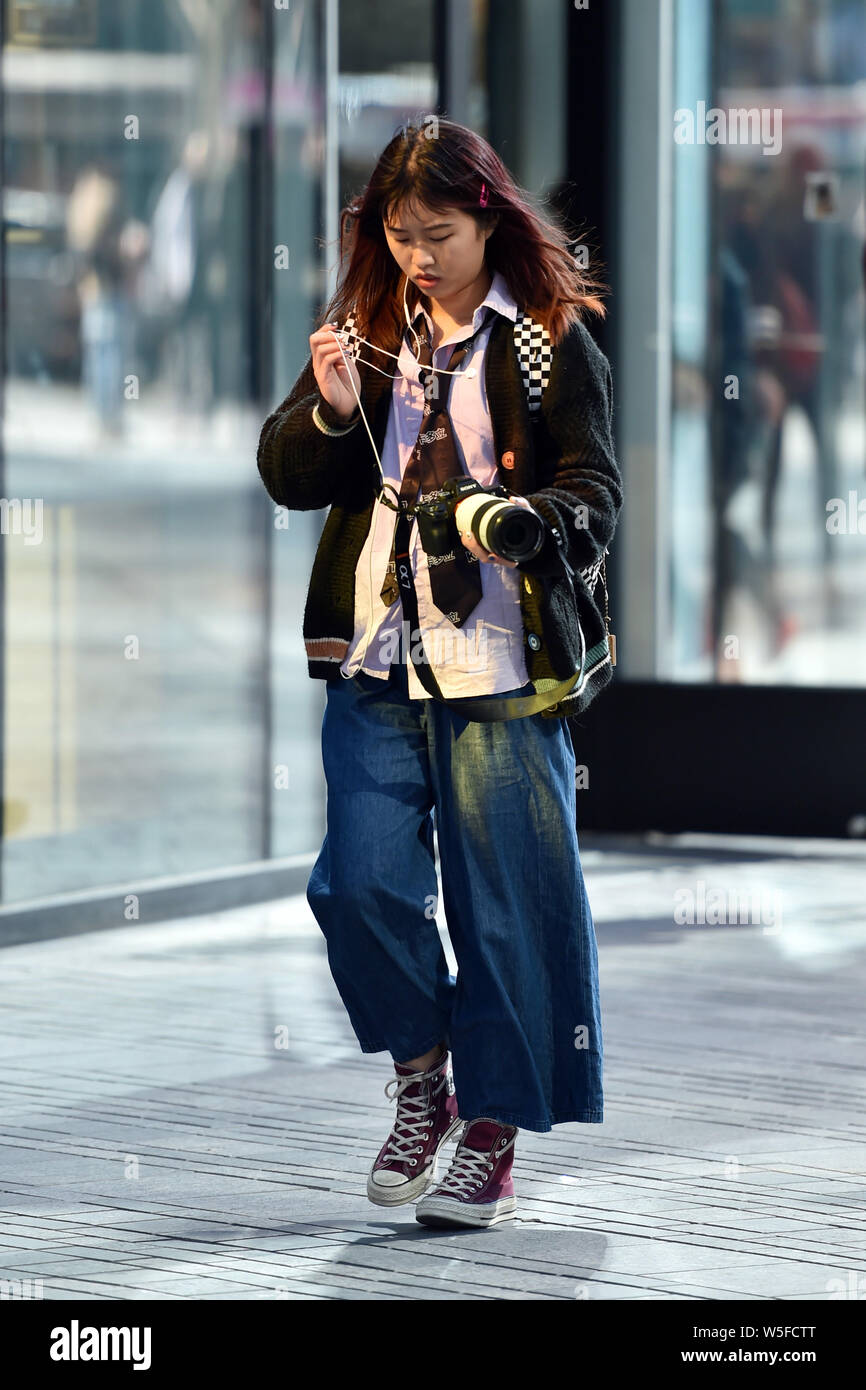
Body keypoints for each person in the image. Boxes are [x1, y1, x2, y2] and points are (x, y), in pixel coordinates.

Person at [257, 118, 622, 1229]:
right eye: (400, 235)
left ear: (487, 218)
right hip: (375, 653)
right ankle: (426, 1077)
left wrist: (514, 521)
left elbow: (594, 493)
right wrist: (324, 408)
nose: (419, 255)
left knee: (503, 904)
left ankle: (493, 1133)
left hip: (498, 661)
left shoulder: (543, 339)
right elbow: (288, 474)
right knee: (355, 882)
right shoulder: (367, 329)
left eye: (439, 233)